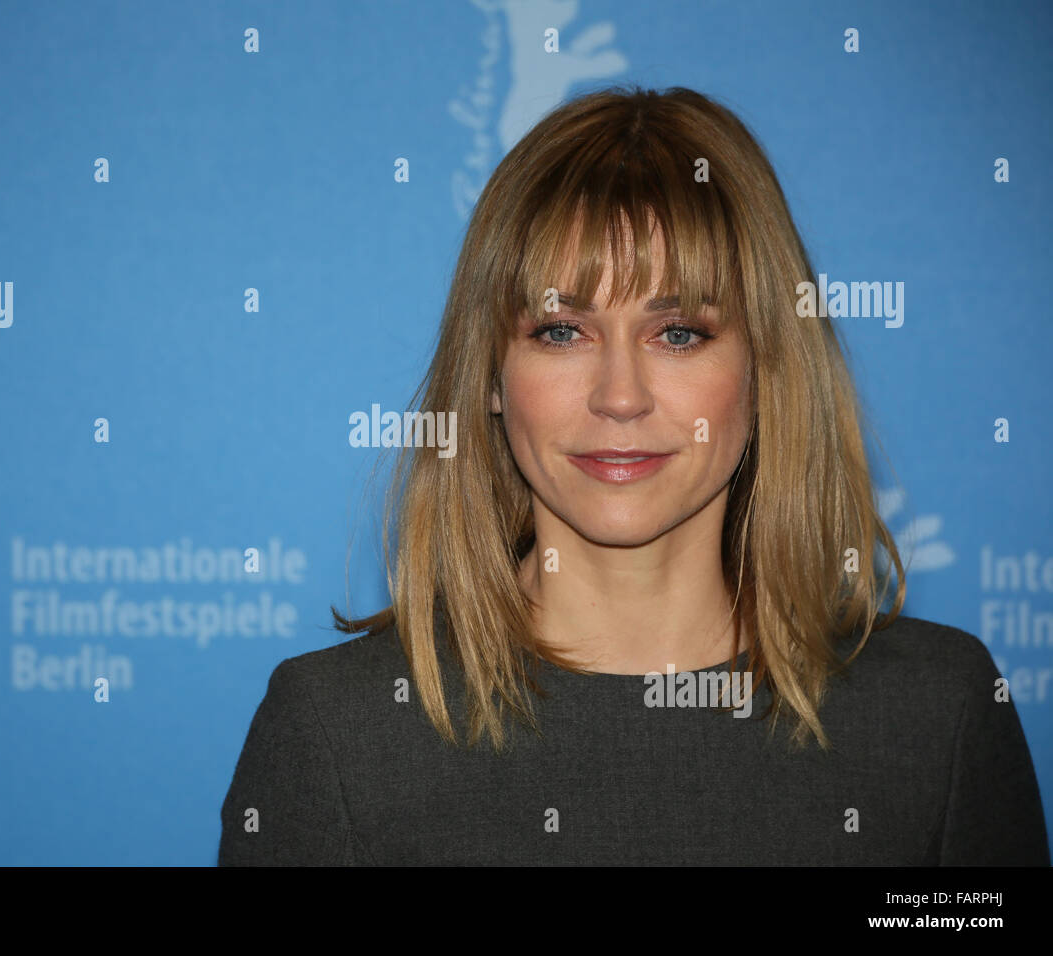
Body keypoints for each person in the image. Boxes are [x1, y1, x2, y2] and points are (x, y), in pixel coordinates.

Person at [217, 85, 1049, 865]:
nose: (620, 397)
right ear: (490, 380)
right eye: (561, 331)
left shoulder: (938, 720)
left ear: (769, 372)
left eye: (679, 333)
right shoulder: (337, 737)